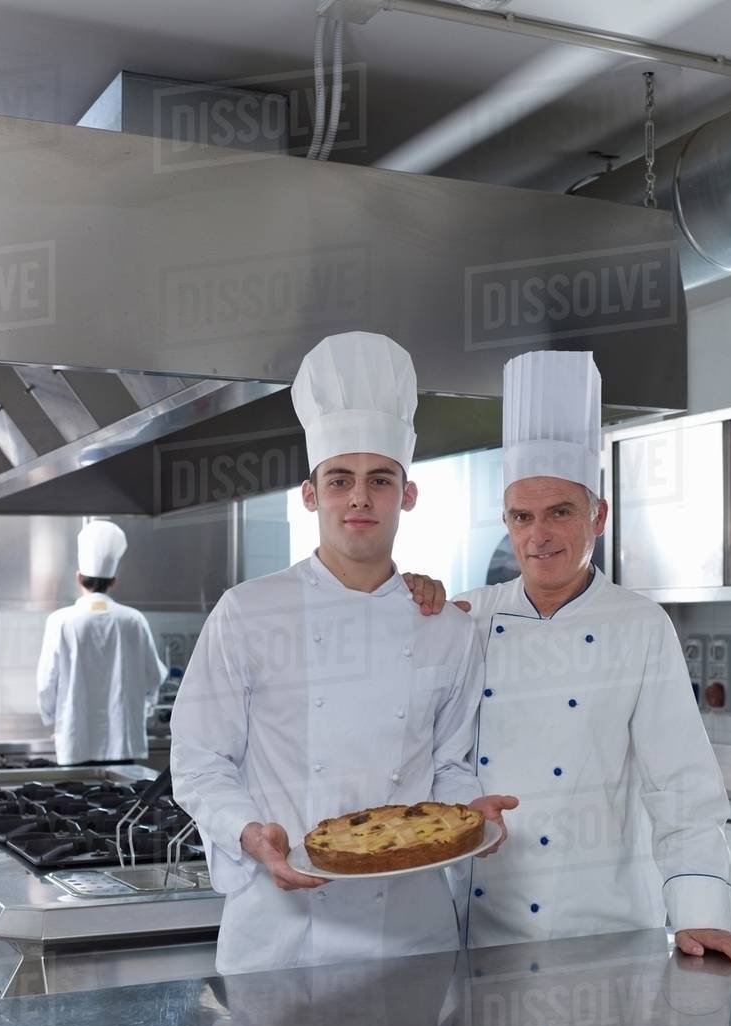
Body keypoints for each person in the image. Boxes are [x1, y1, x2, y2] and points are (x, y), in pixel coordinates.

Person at [170, 331, 516, 976]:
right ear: (310, 495)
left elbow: (449, 764)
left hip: (410, 931)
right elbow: (199, 761)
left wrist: (470, 810)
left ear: (407, 495)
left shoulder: (446, 628)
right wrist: (248, 831)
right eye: (340, 480)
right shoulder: (247, 612)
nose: (359, 498)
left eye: (380, 480)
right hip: (281, 930)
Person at [410, 351, 731, 967]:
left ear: (597, 516)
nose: (539, 535)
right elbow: (423, 752)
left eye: (560, 512)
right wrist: (404, 603)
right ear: (506, 521)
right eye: (522, 517)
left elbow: (680, 786)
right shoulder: (468, 619)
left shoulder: (640, 625)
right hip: (485, 934)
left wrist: (703, 913)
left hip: (607, 936)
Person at [36, 519, 167, 766]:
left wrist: (54, 721)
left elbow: (46, 684)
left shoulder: (61, 621)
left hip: (75, 745)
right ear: (113, 580)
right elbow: (154, 677)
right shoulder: (134, 620)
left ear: (78, 578)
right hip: (124, 746)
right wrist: (144, 709)